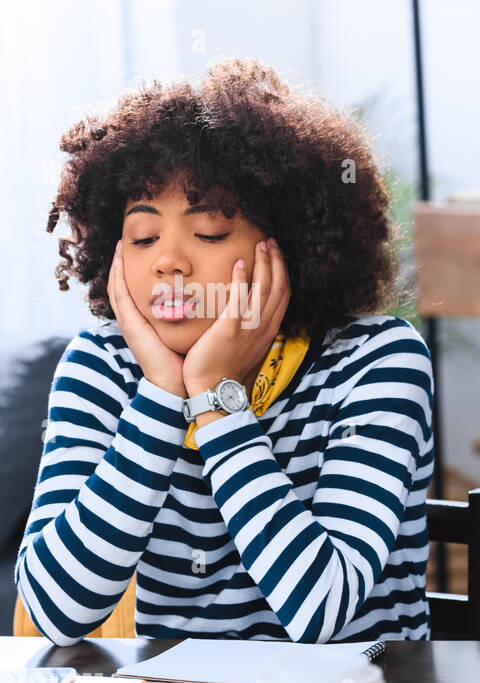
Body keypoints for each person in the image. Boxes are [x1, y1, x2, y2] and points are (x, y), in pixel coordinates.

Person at [18, 59, 434, 644]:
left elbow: (320, 610)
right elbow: (55, 612)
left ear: (287, 245)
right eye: (142, 237)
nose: (169, 261)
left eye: (209, 232)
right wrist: (163, 394)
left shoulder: (377, 361)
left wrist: (216, 400)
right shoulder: (102, 365)